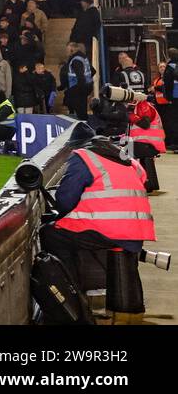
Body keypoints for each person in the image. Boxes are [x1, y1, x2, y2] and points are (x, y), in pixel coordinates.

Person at [40, 124, 155, 300]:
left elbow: (65, 199)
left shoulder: (83, 156)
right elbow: (142, 177)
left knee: (51, 234)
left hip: (112, 230)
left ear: (77, 145)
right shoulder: (122, 155)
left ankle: (73, 294)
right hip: (137, 229)